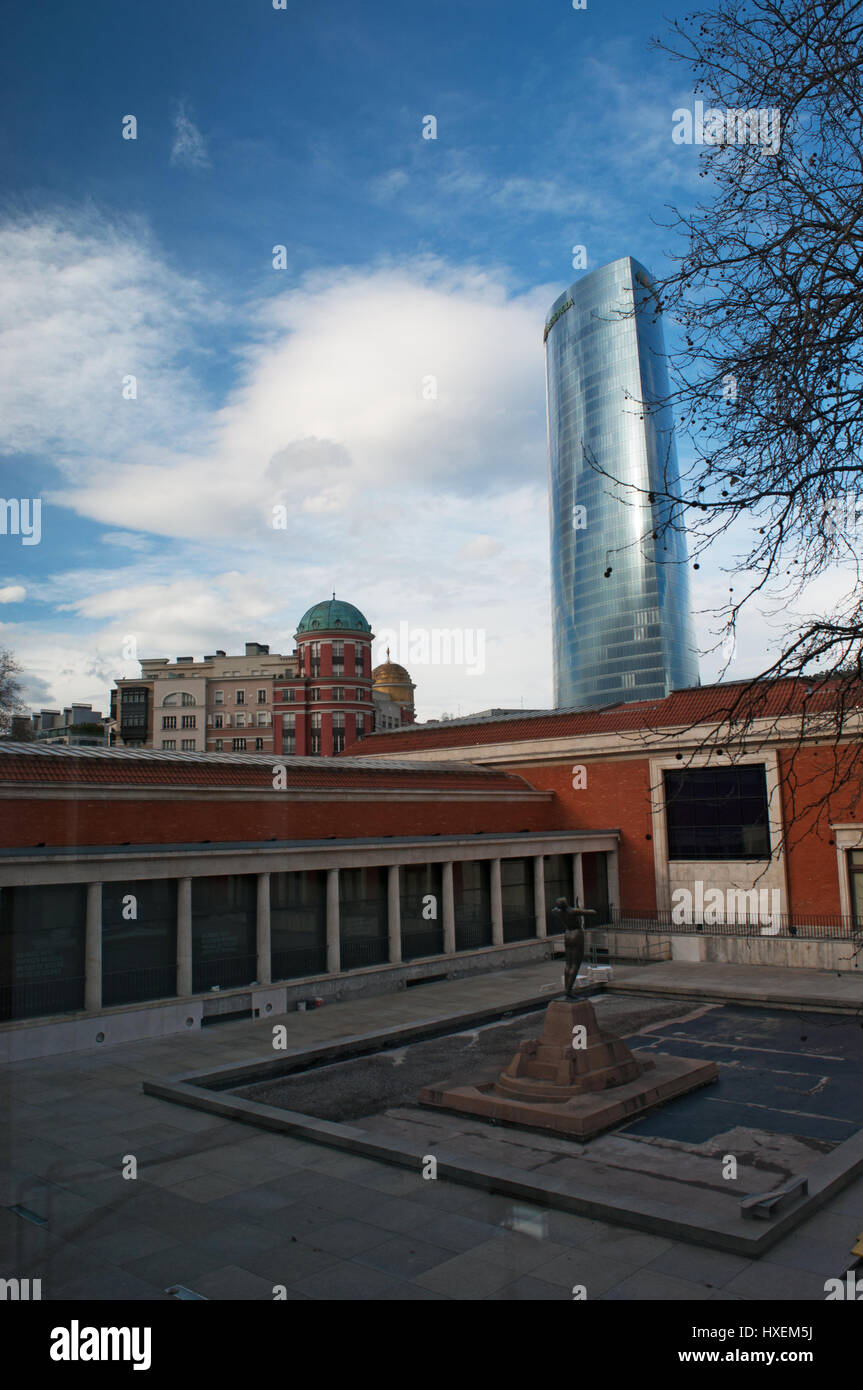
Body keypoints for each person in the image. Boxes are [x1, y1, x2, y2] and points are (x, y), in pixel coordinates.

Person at [549, 896, 596, 997]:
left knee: (568, 963)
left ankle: (567, 988)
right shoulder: (572, 911)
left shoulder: (558, 912)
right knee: (575, 964)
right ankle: (569, 990)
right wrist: (580, 910)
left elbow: (553, 910)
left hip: (567, 934)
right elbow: (592, 912)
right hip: (576, 934)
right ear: (566, 904)